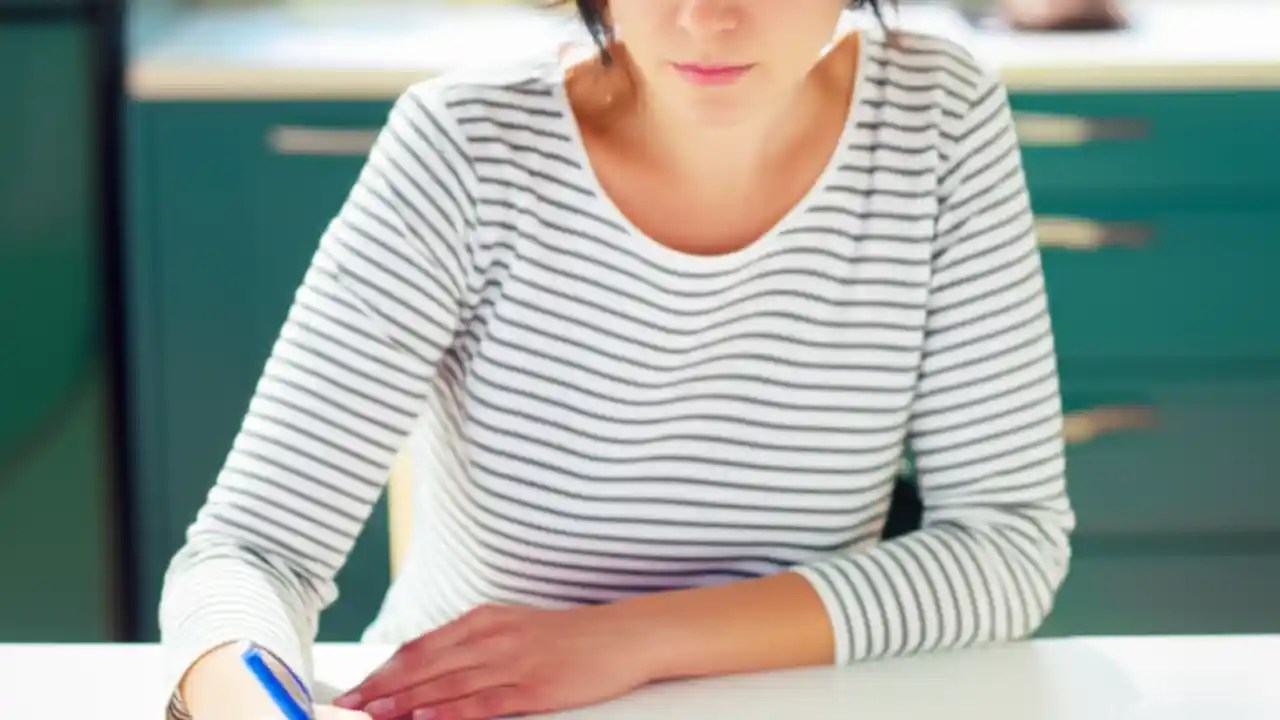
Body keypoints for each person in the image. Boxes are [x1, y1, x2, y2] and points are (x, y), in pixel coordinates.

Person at [161, 1, 1075, 718]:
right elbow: (250, 552)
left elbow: (1007, 543)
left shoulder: (937, 115)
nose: (707, 17)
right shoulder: (466, 147)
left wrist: (623, 643)